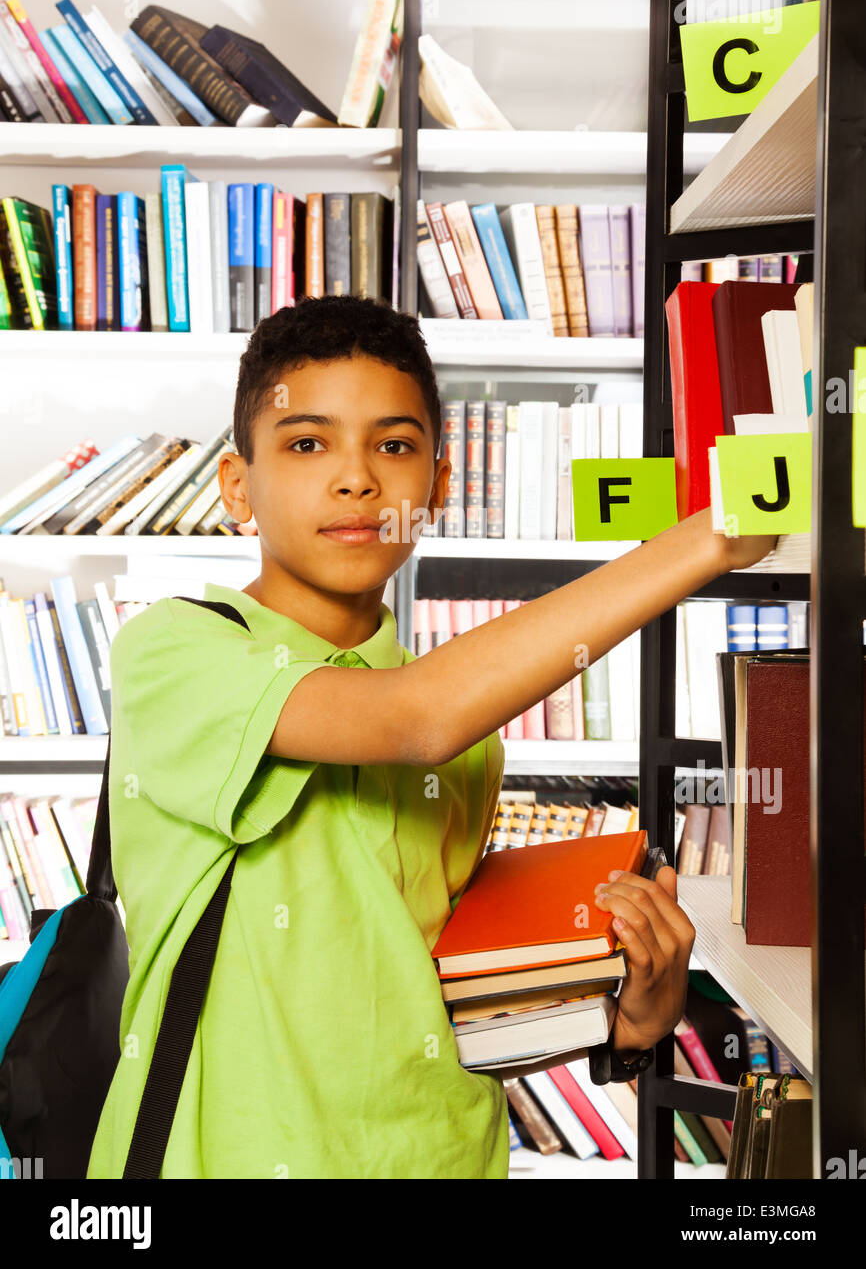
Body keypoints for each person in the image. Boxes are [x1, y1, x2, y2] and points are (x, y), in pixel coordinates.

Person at [86, 294, 777, 1179]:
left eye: (395, 444)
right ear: (236, 486)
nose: (356, 478)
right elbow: (413, 718)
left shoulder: (469, 742)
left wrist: (627, 1023)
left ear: (440, 486)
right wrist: (715, 533)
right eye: (306, 443)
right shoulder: (177, 650)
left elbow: (442, 1012)